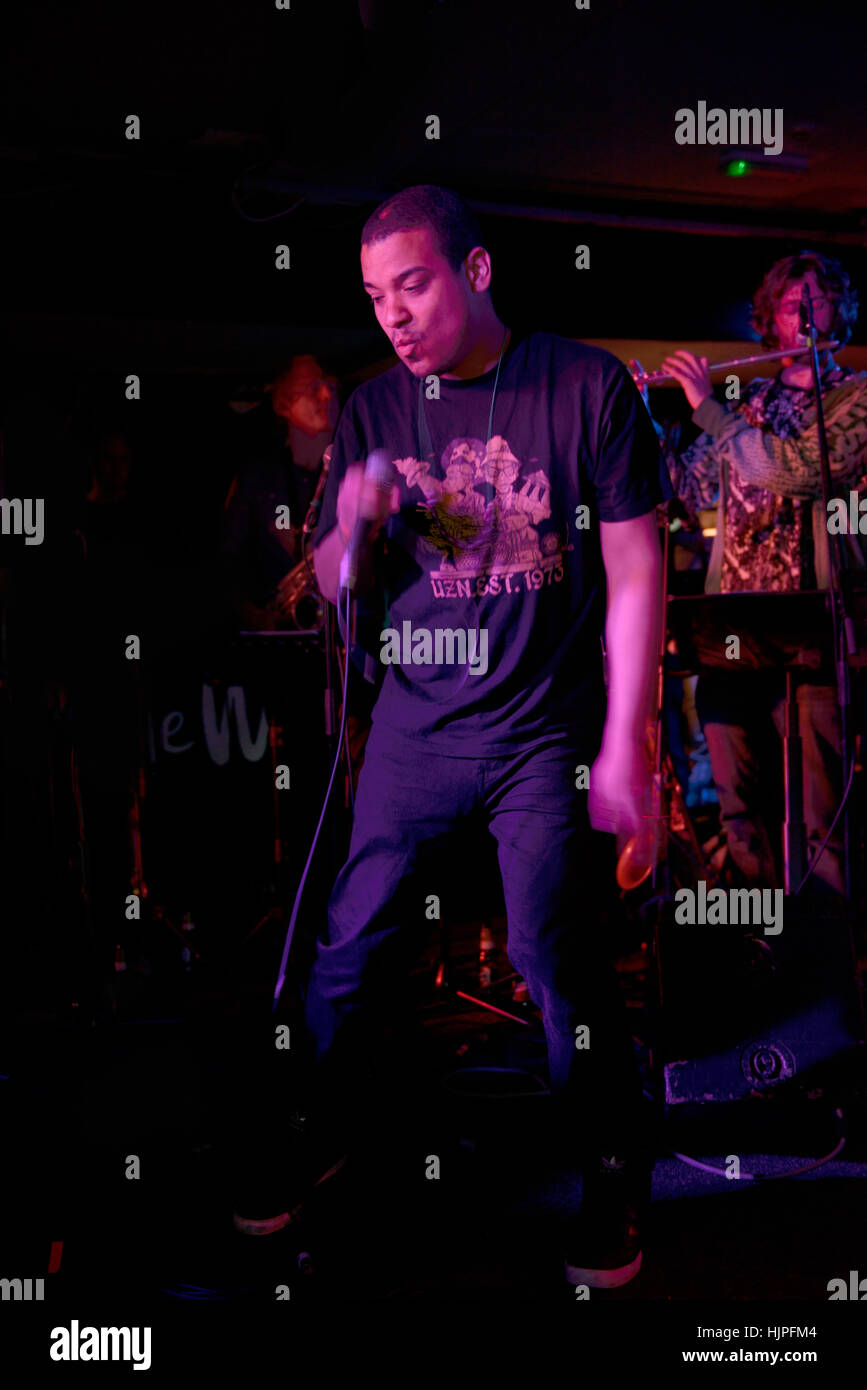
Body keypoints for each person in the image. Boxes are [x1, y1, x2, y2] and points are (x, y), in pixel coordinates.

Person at [275, 184, 675, 1291]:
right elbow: (327, 585)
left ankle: (609, 1168)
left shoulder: (583, 384)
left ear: (475, 271)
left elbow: (640, 567)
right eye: (373, 297)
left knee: (556, 953)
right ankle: (315, 1127)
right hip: (411, 732)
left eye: (411, 285)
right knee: (346, 952)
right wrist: (348, 531)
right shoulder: (370, 413)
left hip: (540, 732)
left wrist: (628, 743)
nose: (392, 316)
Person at [660, 251, 864, 898]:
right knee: (740, 815)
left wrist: (706, 408)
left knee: (820, 817)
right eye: (788, 304)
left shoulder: (856, 400)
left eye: (818, 300)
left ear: (838, 313)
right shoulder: (744, 405)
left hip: (814, 637)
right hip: (732, 637)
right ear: (769, 322)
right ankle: (757, 955)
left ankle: (830, 971)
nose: (804, 312)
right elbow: (683, 492)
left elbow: (797, 472)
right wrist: (633, 419)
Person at [221, 354, 337, 631]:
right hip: (275, 631)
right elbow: (226, 563)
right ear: (283, 404)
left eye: (330, 387)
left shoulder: (345, 471)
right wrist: (252, 615)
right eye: (312, 388)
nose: (326, 395)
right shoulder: (257, 479)